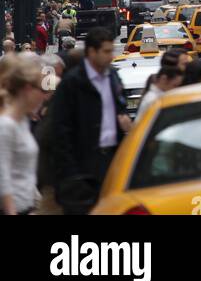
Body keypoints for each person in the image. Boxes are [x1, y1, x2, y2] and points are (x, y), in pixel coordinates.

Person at [46, 28, 132, 215]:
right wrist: (71, 172)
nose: (111, 57)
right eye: (106, 52)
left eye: (112, 51)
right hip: (82, 166)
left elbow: (120, 107)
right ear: (92, 52)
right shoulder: (72, 83)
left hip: (111, 161)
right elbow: (60, 130)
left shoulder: (113, 77)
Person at [0, 55, 50, 214]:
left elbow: (24, 174)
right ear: (28, 89)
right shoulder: (6, 125)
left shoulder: (22, 121)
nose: (44, 95)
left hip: (26, 207)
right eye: (41, 89)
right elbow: (3, 177)